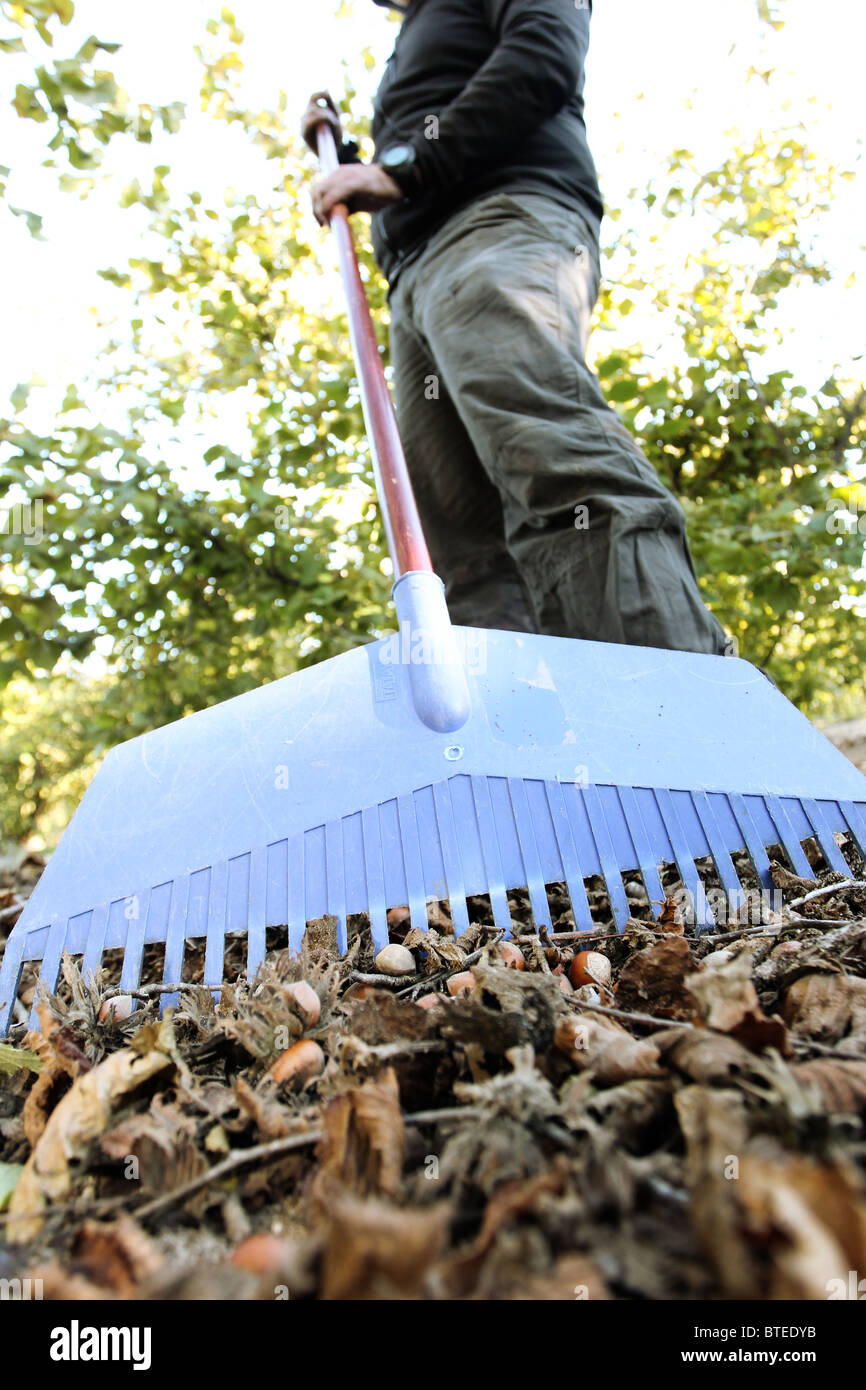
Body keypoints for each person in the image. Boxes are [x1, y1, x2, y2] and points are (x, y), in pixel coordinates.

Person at [302, 0, 727, 653]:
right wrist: (358, 157)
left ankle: (677, 705)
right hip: (416, 277)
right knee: (459, 546)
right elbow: (433, 121)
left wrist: (405, 168)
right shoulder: (420, 27)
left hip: (497, 220)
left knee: (546, 455)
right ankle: (534, 743)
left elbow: (542, 54)